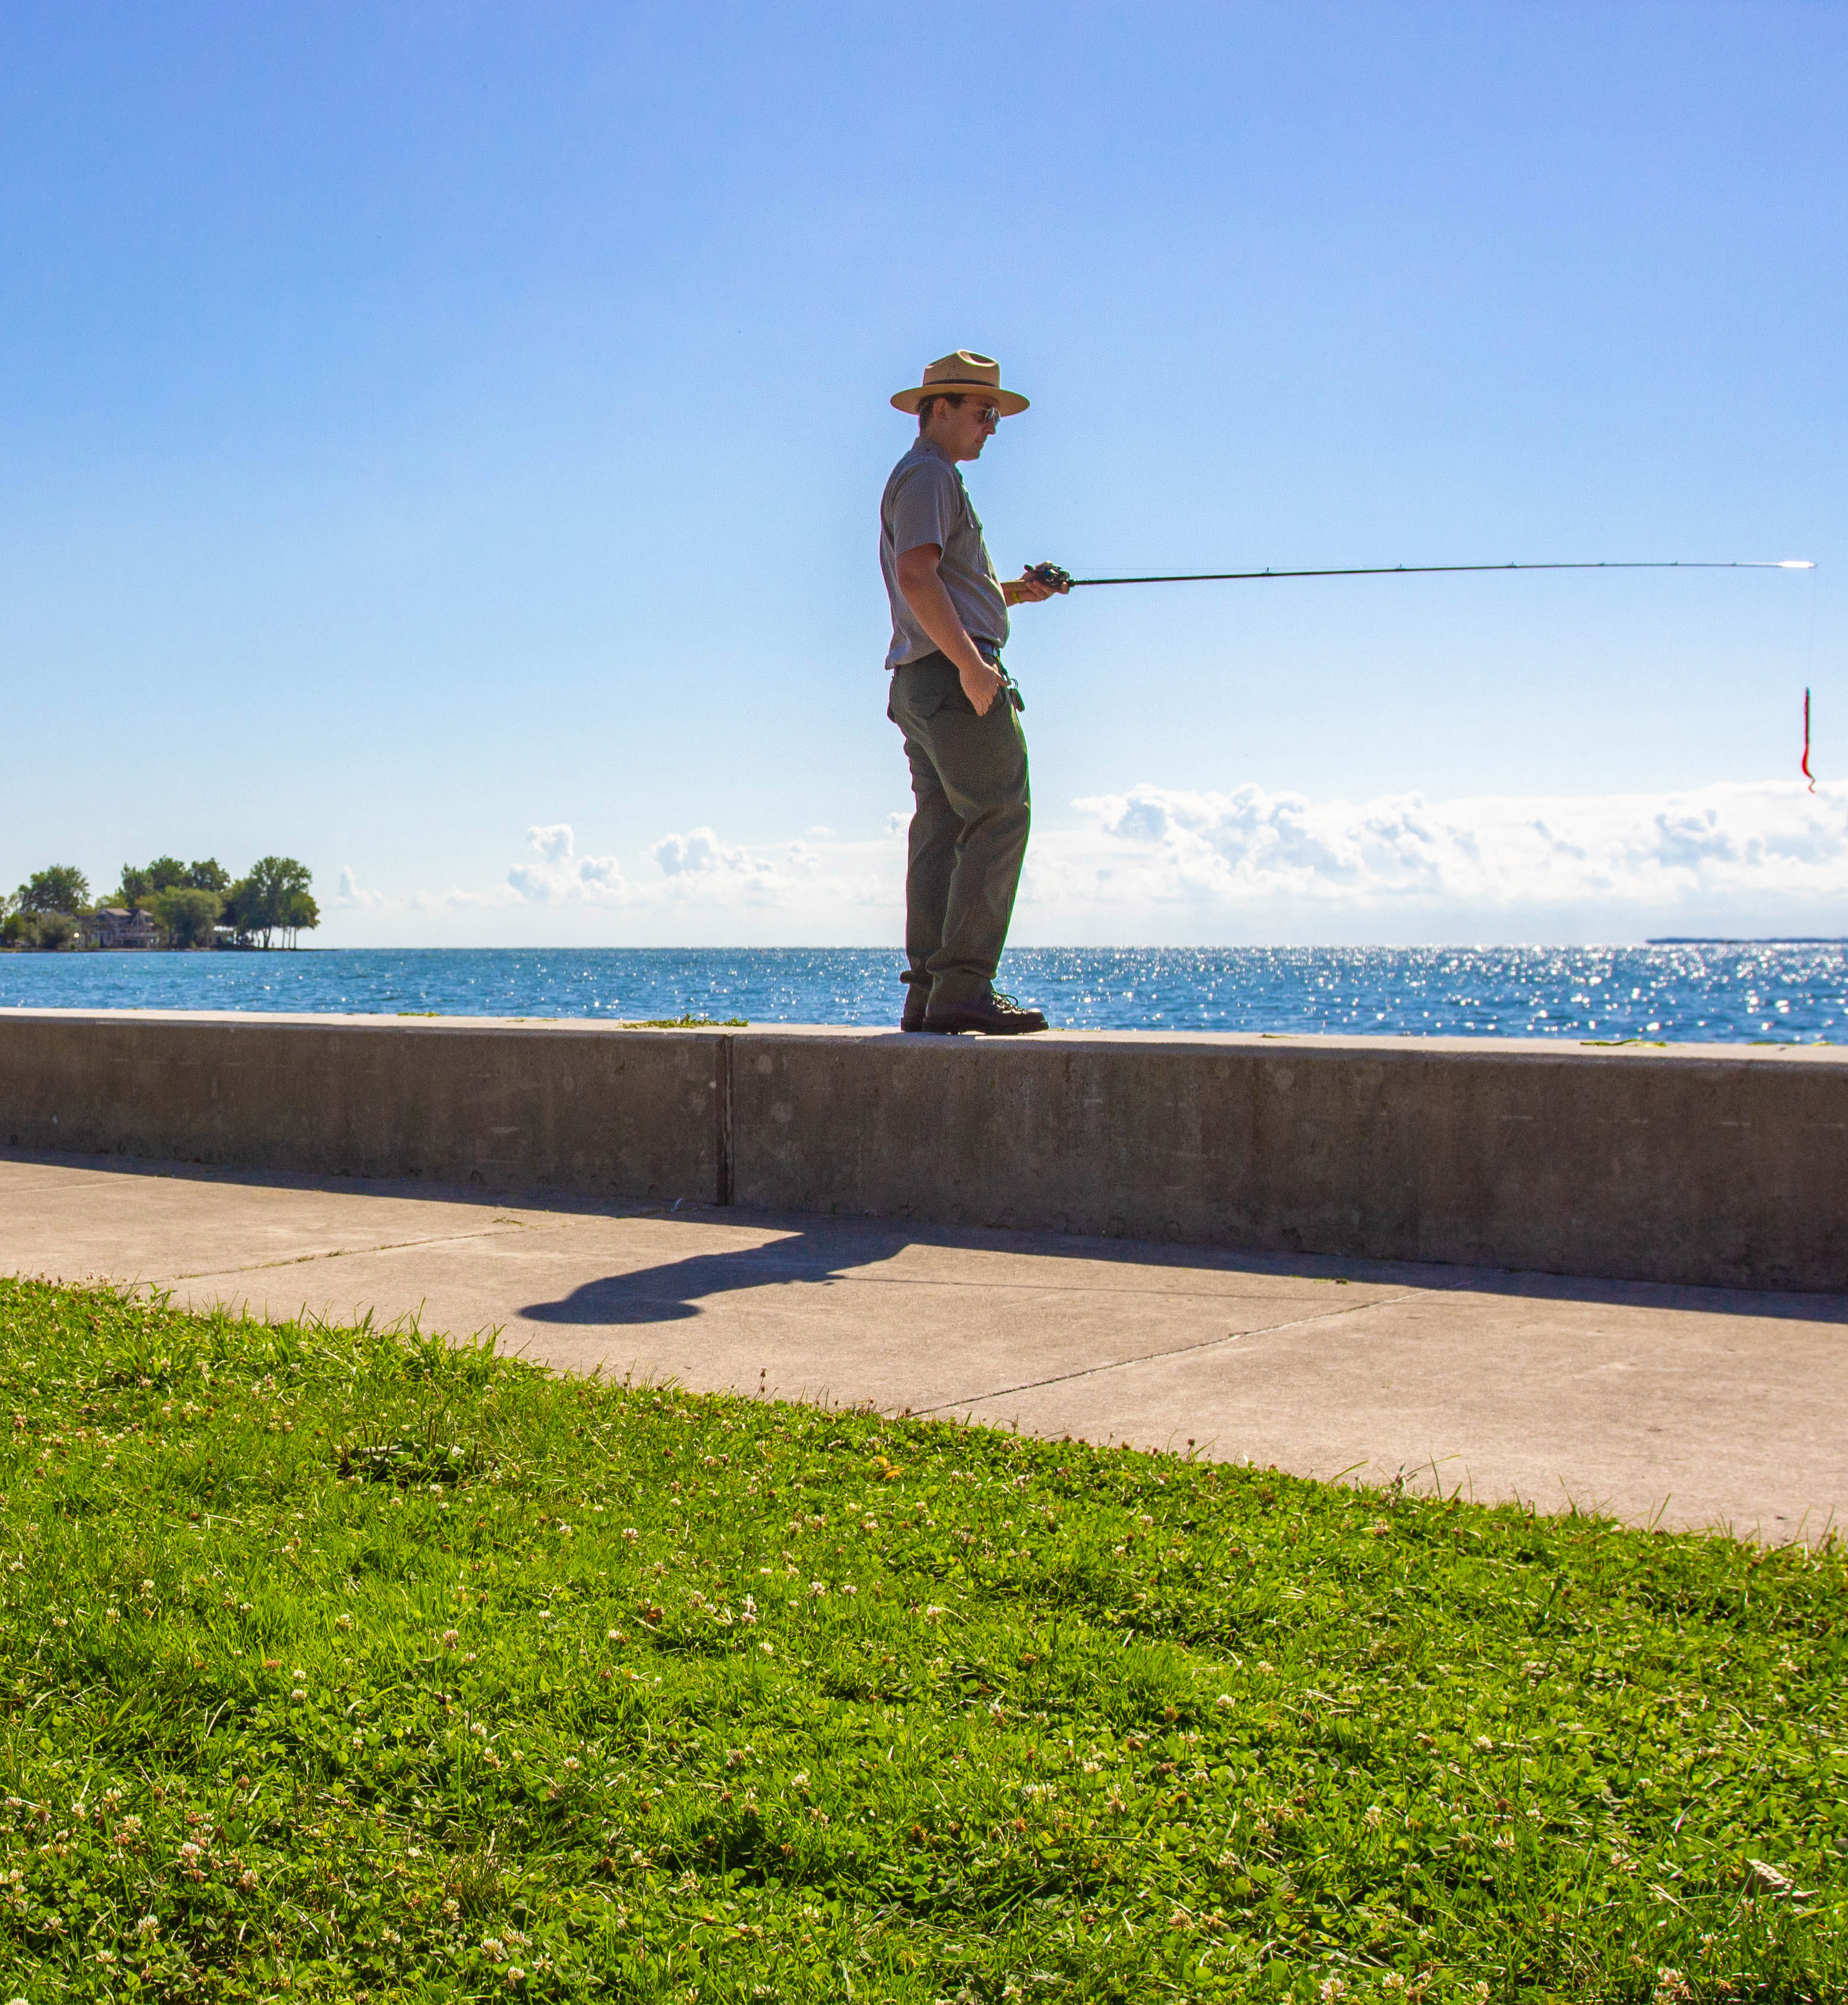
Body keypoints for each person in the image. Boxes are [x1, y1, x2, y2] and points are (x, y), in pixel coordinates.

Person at [881, 351, 1068, 1035]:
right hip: (952, 678)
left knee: (942, 828)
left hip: (918, 680)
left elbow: (949, 586)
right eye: (984, 412)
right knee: (1000, 815)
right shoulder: (931, 474)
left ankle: (929, 993)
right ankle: (964, 986)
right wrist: (972, 666)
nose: (993, 426)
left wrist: (1019, 592)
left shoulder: (923, 477)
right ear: (940, 409)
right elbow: (917, 577)